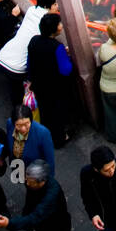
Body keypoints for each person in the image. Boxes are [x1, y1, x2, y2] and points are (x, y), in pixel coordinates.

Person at [0, 0, 57, 108]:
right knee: (17, 91)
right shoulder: (46, 23)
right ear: (48, 6)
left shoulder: (30, 10)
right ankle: (20, 107)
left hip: (2, 56)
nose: (57, 6)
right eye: (55, 4)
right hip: (16, 68)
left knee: (13, 83)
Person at [26, 12, 73, 147]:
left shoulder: (34, 40)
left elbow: (30, 62)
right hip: (54, 88)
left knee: (45, 111)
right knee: (57, 113)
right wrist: (67, 57)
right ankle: (59, 139)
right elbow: (66, 70)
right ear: (54, 30)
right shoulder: (57, 47)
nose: (61, 25)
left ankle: (46, 133)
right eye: (59, 24)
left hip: (38, 84)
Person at [7, 105, 55, 176]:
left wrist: (48, 180)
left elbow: (50, 162)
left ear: (31, 121)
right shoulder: (9, 123)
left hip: (34, 173)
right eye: (19, 125)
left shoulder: (43, 133)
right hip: (18, 164)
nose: (23, 129)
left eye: (26, 124)